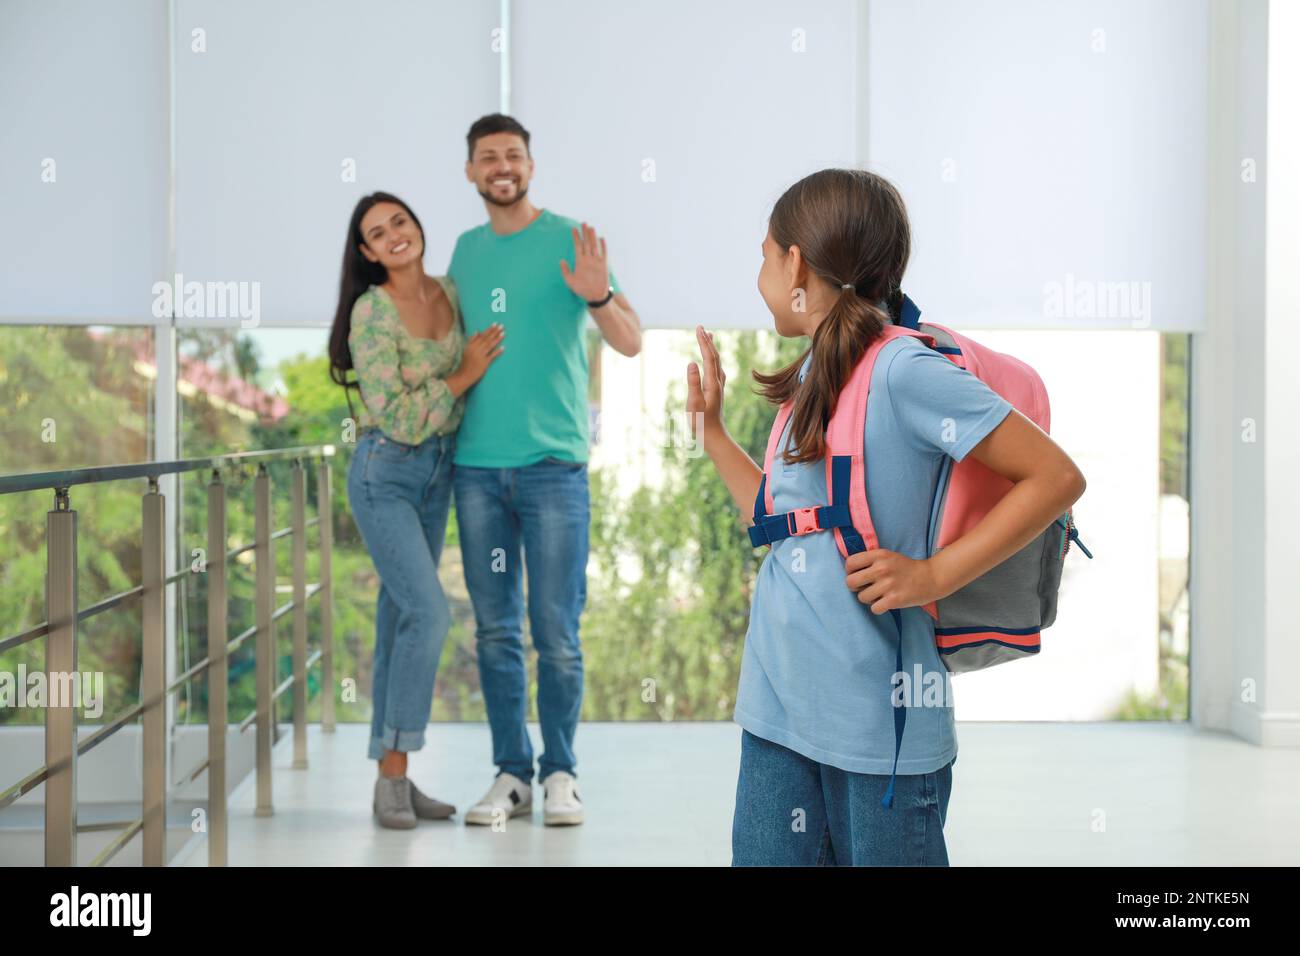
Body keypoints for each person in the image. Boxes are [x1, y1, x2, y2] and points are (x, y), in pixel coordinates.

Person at [686, 168, 1086, 865]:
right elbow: (790, 520)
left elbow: (1055, 476)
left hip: (880, 727)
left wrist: (933, 575)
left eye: (763, 254)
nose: (759, 275)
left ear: (795, 264)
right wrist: (714, 433)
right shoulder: (815, 372)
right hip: (778, 711)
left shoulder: (904, 370)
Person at [448, 114, 642, 826]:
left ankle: (561, 772)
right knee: (495, 631)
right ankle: (512, 773)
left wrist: (596, 293)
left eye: (514, 155)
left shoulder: (570, 241)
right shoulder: (464, 253)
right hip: (476, 470)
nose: (502, 165)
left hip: (554, 467)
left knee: (556, 629)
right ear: (470, 172)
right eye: (488, 157)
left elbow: (630, 340)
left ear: (531, 165)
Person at [328, 191, 505, 829]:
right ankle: (394, 778)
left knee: (399, 621)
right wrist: (463, 374)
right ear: (368, 252)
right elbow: (398, 416)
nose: (395, 235)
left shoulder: (451, 293)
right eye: (378, 232)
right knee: (428, 615)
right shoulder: (372, 313)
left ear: (416, 226)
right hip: (386, 474)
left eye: (399, 221)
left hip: (438, 475)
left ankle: (392, 779)